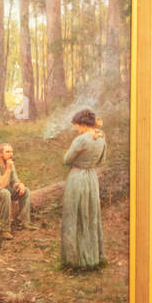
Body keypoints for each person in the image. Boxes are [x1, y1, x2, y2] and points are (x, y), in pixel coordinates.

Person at [61, 109, 107, 270]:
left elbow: (66, 160)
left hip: (78, 178)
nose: (76, 129)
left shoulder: (80, 140)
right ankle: (92, 256)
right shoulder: (101, 137)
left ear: (82, 124)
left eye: (76, 126)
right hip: (92, 178)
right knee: (90, 214)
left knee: (75, 215)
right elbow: (102, 160)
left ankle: (76, 260)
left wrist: (78, 162)